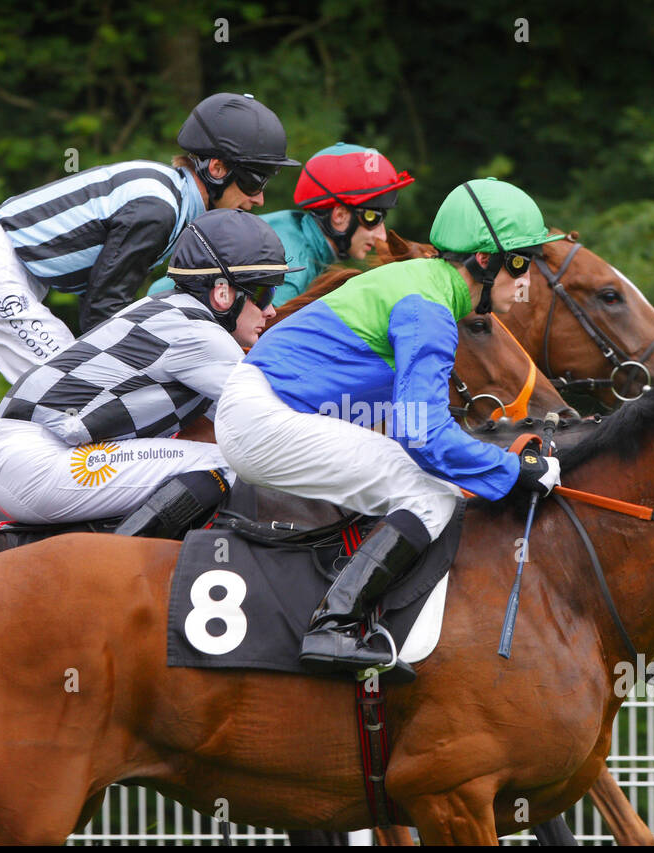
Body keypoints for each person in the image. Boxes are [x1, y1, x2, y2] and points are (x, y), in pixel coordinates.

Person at [214, 178, 565, 676]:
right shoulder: (428, 309)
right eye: (522, 262)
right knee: (433, 496)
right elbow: (422, 433)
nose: (527, 281)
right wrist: (513, 472)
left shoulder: (422, 285)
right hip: (266, 419)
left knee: (432, 483)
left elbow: (414, 429)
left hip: (262, 411)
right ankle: (333, 627)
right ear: (486, 260)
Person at [0, 209, 299, 536]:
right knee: (231, 467)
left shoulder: (167, 308)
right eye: (263, 294)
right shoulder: (202, 336)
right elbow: (273, 416)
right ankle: (118, 563)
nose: (271, 310)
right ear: (222, 293)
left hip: (19, 456)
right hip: (36, 464)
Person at [0, 92, 300, 382]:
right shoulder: (159, 210)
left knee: (75, 386)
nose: (259, 199)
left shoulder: (172, 201)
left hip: (7, 271)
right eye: (255, 180)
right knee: (72, 387)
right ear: (217, 168)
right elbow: (102, 311)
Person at [147, 143, 412, 306]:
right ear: (340, 215)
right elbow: (261, 340)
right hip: (168, 320)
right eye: (371, 217)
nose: (381, 234)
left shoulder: (298, 231)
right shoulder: (293, 262)